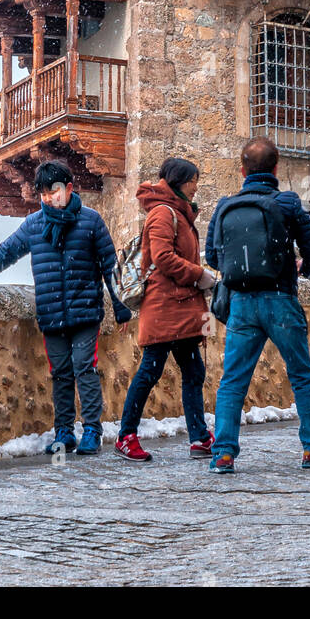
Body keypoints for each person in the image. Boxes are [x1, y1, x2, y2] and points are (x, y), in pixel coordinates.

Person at [0, 159, 132, 455]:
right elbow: (8, 251)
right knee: (62, 373)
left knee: (84, 369)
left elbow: (110, 266)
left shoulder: (91, 221)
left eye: (53, 192)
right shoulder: (34, 225)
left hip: (85, 313)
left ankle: (92, 429)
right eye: (43, 194)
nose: (48, 199)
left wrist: (121, 308)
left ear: (68, 188)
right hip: (52, 314)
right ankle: (64, 431)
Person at [205, 136, 310, 475]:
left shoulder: (225, 206)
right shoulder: (288, 203)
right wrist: (304, 269)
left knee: (233, 381)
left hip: (240, 304)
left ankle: (223, 453)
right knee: (301, 375)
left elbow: (211, 256)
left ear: (242, 170)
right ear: (276, 168)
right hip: (281, 299)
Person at [114, 157, 218, 462]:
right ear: (179, 182)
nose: (197, 187)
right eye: (193, 181)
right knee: (150, 371)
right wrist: (199, 275)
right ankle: (126, 436)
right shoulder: (163, 213)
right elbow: (162, 257)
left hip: (182, 308)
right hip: (164, 307)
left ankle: (199, 437)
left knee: (193, 371)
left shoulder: (180, 214)